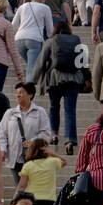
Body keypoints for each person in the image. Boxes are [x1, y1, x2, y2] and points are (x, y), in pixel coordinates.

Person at [34, 19, 84, 154]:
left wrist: (33, 81)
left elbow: (41, 62)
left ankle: (54, 134)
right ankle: (70, 140)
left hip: (55, 79)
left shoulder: (50, 41)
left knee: (54, 107)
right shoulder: (77, 41)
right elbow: (84, 61)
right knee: (70, 110)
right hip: (73, 79)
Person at [0, 82, 51, 182]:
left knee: (32, 186)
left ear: (30, 94)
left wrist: (34, 141)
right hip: (15, 157)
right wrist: (2, 149)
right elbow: (2, 133)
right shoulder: (10, 113)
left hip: (33, 157)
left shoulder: (40, 111)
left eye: (21, 92)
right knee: (19, 186)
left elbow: (46, 133)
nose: (17, 95)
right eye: (16, 93)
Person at [14, 0, 55, 80]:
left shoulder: (22, 7)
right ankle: (29, 86)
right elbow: (50, 30)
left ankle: (30, 83)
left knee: (31, 64)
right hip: (34, 40)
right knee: (31, 68)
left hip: (19, 39)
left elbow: (13, 25)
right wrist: (51, 38)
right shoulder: (45, 8)